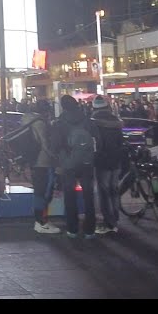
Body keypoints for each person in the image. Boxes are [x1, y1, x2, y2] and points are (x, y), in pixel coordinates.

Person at [52, 94, 97, 239]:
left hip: (68, 163)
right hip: (86, 162)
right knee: (88, 195)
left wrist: (60, 159)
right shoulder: (87, 120)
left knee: (70, 195)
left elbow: (56, 145)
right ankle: (90, 229)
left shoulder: (60, 123)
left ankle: (73, 228)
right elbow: (97, 141)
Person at [20, 100, 59, 234]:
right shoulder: (40, 123)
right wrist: (56, 158)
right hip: (44, 162)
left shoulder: (27, 120)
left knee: (39, 191)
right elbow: (45, 145)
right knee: (44, 192)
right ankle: (41, 222)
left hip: (34, 161)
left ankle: (41, 220)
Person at [90, 95, 125, 235]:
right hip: (116, 159)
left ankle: (109, 223)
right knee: (114, 189)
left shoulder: (93, 122)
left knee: (104, 192)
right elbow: (120, 141)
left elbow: (95, 143)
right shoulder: (116, 120)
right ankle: (115, 219)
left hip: (102, 159)